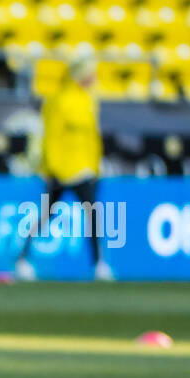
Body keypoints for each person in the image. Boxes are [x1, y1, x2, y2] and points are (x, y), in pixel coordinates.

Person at [15, 56, 112, 281]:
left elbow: (91, 138)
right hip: (61, 170)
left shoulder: (88, 100)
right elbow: (51, 137)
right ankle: (22, 259)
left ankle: (99, 264)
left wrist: (95, 166)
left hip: (85, 169)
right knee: (46, 215)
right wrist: (51, 168)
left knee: (93, 216)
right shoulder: (57, 100)